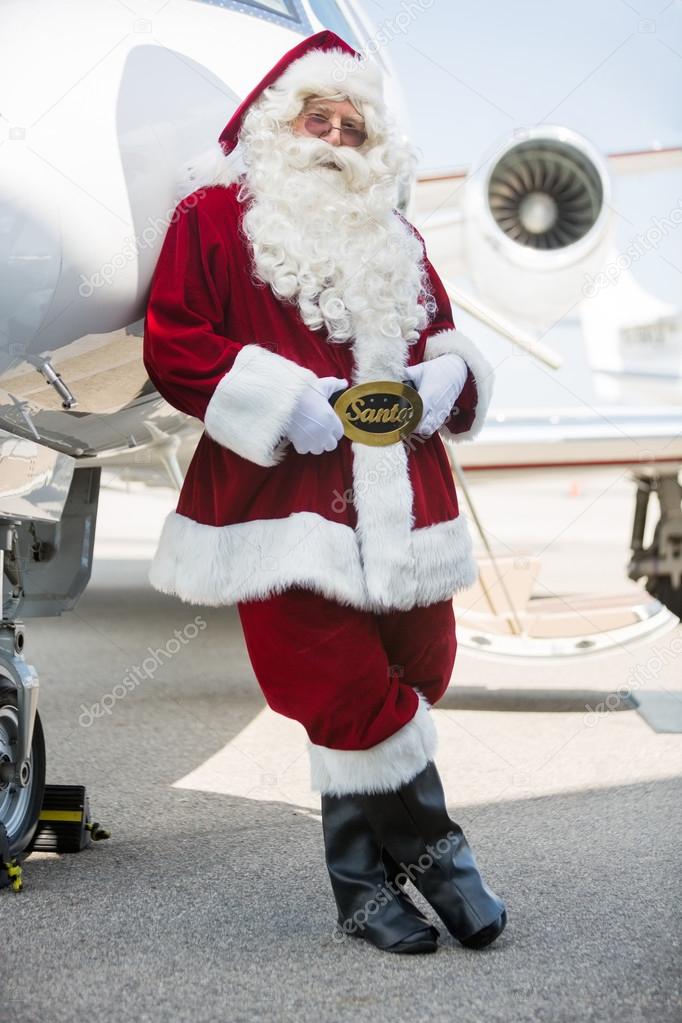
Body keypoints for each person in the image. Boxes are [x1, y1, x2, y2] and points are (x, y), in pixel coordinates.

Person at [143, 29, 506, 955]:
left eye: (353, 128)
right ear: (279, 124)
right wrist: (282, 399)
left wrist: (445, 381)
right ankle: (439, 865)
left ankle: (366, 887)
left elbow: (451, 342)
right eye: (319, 119)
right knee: (340, 686)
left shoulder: (400, 237)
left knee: (421, 671)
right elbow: (176, 342)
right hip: (284, 505)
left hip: (407, 500)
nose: (335, 141)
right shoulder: (214, 219)